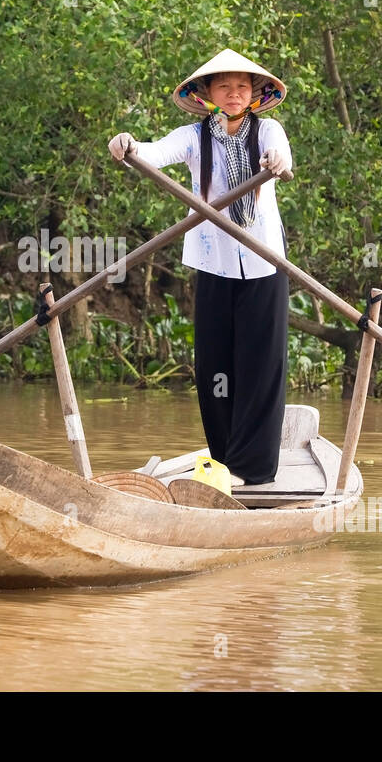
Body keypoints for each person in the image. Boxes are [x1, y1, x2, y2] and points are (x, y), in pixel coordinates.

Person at [108, 49, 292, 486]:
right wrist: (128, 144)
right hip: (214, 264)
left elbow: (280, 156)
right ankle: (224, 463)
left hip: (264, 262)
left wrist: (278, 164)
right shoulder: (194, 137)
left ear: (254, 95)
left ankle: (254, 470)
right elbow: (154, 152)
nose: (233, 94)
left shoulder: (267, 130)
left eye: (242, 87)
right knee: (215, 368)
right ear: (207, 93)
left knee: (261, 364)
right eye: (224, 87)